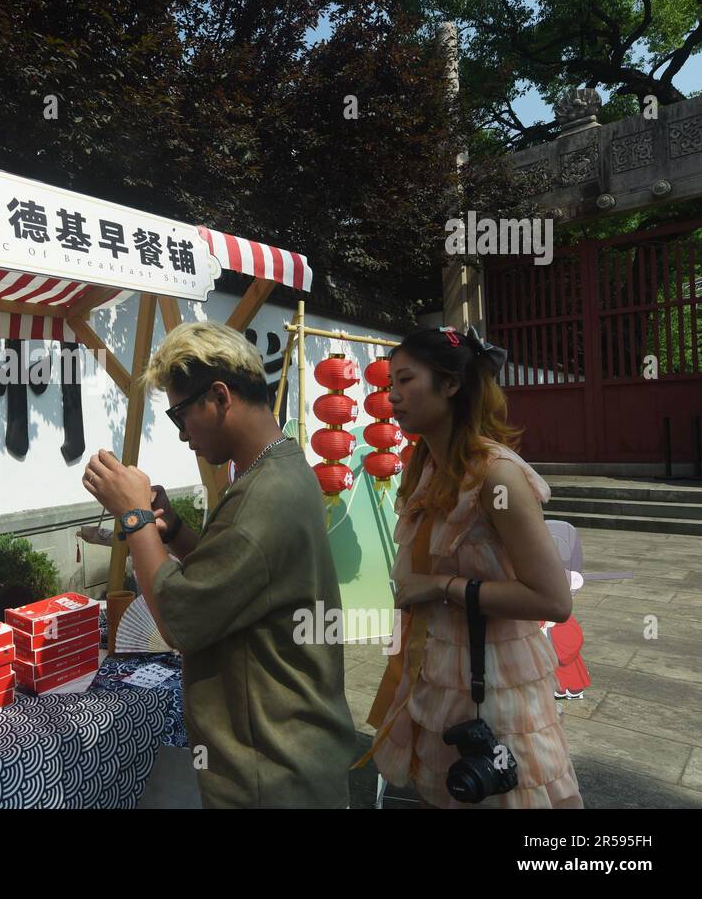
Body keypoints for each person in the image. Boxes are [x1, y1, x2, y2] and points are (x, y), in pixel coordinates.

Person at [82, 321, 356, 808]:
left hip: (267, 773)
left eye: (180, 415)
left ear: (219, 397)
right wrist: (176, 534)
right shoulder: (284, 466)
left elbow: (179, 619)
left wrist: (135, 515)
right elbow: (242, 571)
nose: (183, 434)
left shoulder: (261, 497)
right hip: (297, 752)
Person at [364, 326, 582, 808]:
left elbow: (553, 599)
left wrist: (441, 586)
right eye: (390, 385)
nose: (392, 397)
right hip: (440, 676)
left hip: (496, 686)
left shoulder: (497, 476)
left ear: (451, 385)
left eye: (405, 381)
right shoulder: (424, 467)